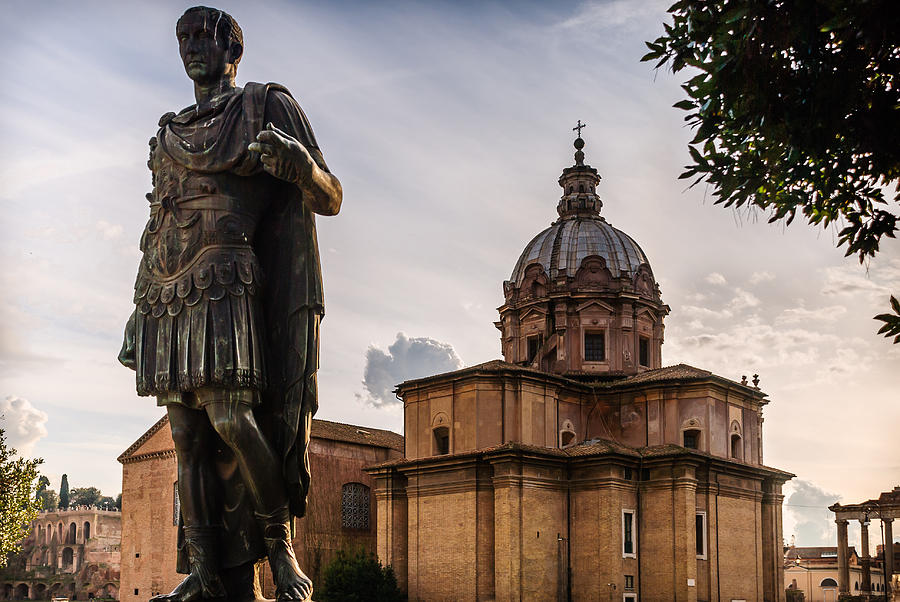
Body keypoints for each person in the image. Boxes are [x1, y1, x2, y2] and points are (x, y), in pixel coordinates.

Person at [118, 6, 341, 602]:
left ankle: (278, 545)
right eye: (183, 37)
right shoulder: (169, 133)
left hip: (227, 276)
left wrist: (303, 169)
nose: (191, 46)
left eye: (203, 36)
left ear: (232, 49)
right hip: (165, 289)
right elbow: (156, 223)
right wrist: (136, 313)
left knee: (231, 418)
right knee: (187, 437)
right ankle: (204, 569)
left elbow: (331, 196)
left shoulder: (265, 106)